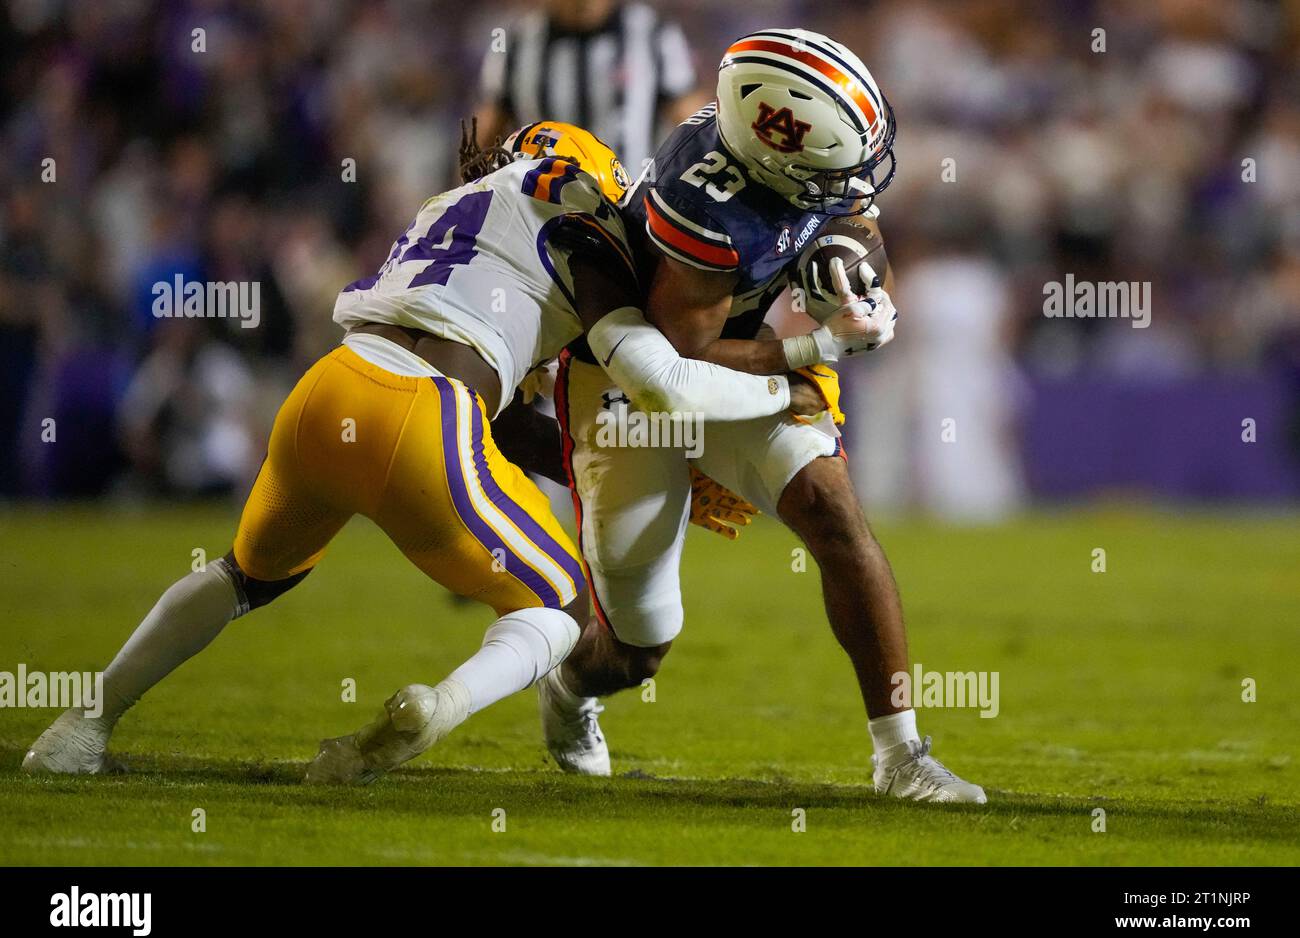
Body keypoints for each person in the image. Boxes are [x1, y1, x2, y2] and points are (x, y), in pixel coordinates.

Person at [24, 120, 829, 783]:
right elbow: (653, 375)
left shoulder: (451, 204)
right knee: (561, 605)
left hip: (325, 392)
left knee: (241, 576)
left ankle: (79, 729)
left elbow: (512, 422)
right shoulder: (587, 225)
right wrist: (790, 366)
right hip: (423, 412)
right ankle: (430, 710)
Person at [540, 28, 987, 802]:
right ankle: (570, 687)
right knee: (638, 647)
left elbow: (857, 215)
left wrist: (850, 268)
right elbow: (680, 363)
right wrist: (819, 348)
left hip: (730, 353)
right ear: (775, 154)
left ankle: (902, 755)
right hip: (632, 385)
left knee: (832, 509)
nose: (857, 173)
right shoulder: (707, 207)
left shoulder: (790, 149)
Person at [474, 0, 699, 174]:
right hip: (537, 211)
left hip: (630, 210)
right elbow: (486, 133)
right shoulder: (517, 41)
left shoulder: (653, 33)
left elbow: (694, 128)